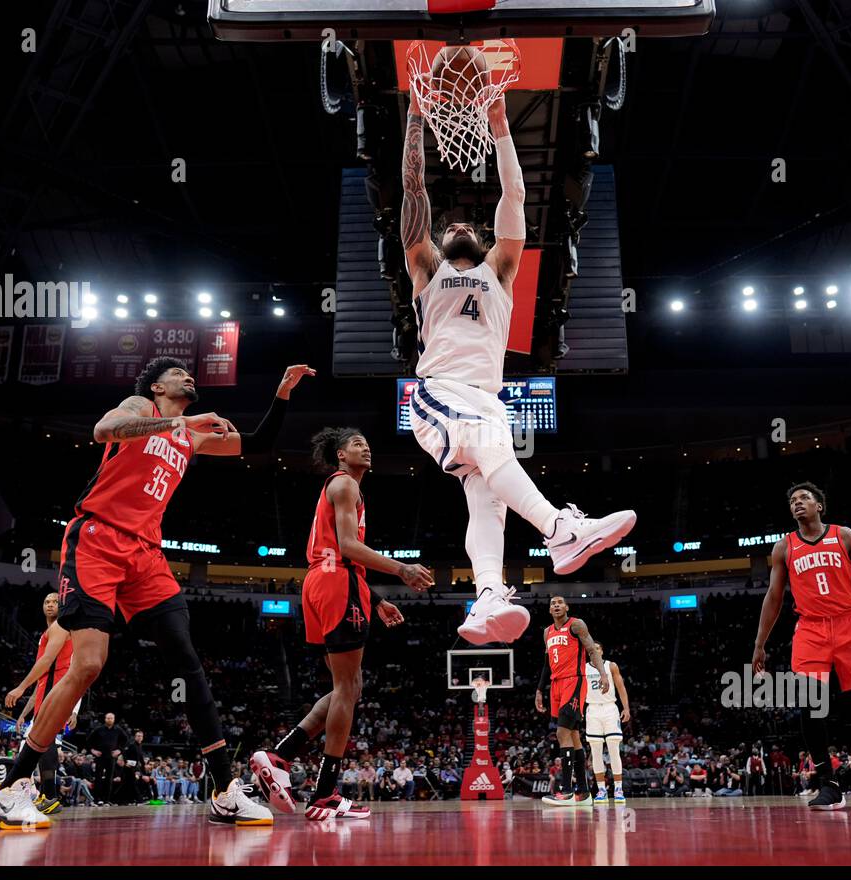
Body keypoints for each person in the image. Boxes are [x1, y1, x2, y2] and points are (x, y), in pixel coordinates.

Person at [0, 358, 314, 829]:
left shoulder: (189, 435)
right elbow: (104, 431)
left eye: (190, 374)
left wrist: (282, 390)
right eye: (179, 374)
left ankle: (224, 790)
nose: (189, 377)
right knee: (88, 666)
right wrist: (176, 419)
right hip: (97, 540)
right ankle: (12, 786)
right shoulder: (140, 405)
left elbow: (258, 443)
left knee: (186, 655)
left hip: (145, 555)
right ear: (158, 386)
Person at [400, 81, 635, 645]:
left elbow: (514, 196)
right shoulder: (427, 270)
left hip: (487, 398)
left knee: (489, 500)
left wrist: (501, 128)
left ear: (483, 241)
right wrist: (415, 118)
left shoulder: (500, 269)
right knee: (489, 454)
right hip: (440, 392)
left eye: (467, 226)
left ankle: (486, 594)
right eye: (448, 225)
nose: (456, 225)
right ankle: (559, 528)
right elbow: (414, 191)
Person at [251, 428, 432, 822]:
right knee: (348, 688)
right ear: (340, 456)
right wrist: (401, 569)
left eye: (368, 442)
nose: (365, 446)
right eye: (355, 444)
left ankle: (280, 754)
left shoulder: (339, 487)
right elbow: (349, 546)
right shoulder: (346, 484)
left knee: (346, 687)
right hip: (337, 583)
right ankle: (325, 792)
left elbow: (340, 553)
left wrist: (376, 599)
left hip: (323, 582)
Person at [750, 482, 851, 810]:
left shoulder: (844, 535)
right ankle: (829, 783)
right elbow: (774, 597)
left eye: (804, 498)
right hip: (810, 629)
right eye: (792, 500)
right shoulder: (784, 547)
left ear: (819, 505)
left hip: (848, 623)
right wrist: (759, 643)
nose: (797, 503)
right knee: (811, 705)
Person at [1, 591, 76, 818]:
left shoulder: (60, 627)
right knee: (44, 738)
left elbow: (46, 662)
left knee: (43, 738)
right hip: (49, 688)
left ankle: (48, 794)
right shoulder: (52, 630)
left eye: (55, 601)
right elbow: (43, 678)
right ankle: (47, 795)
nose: (50, 605)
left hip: (55, 688)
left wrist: (20, 686)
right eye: (46, 602)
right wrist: (24, 712)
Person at [535, 596, 606, 807]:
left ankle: (566, 791)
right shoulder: (547, 632)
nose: (556, 605)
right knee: (574, 736)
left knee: (561, 733)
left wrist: (602, 674)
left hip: (574, 681)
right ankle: (583, 793)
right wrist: (539, 689)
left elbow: (592, 649)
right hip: (555, 685)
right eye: (553, 603)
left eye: (560, 602)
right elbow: (547, 663)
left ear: (566, 607)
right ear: (549, 610)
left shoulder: (576, 624)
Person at [584, 641, 631, 805]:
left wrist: (626, 708)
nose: (595, 651)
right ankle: (601, 789)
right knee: (595, 751)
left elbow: (621, 687)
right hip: (593, 709)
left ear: (602, 651)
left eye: (598, 649)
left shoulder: (611, 666)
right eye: (592, 649)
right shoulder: (583, 668)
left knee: (613, 750)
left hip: (610, 708)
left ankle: (618, 788)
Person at [85, 713, 128, 806]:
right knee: (98, 778)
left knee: (109, 778)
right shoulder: (99, 729)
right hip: (100, 756)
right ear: (105, 719)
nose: (109, 720)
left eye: (111, 718)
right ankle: (96, 799)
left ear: (114, 719)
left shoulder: (118, 730)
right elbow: (88, 740)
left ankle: (106, 800)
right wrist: (93, 750)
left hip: (111, 757)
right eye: (108, 718)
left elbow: (126, 740)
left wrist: (119, 750)